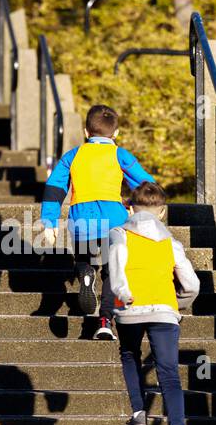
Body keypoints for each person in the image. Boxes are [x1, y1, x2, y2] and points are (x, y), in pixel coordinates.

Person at [40, 104, 155, 339]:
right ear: (116, 134)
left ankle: (84, 271)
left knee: (85, 258)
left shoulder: (73, 155)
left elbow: (54, 188)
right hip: (114, 219)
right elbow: (146, 185)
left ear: (86, 132)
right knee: (113, 271)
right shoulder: (120, 154)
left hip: (81, 219)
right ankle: (105, 321)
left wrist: (49, 221)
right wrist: (136, 207)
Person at [108, 180, 199, 425]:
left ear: (129, 208)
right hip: (164, 310)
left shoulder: (119, 234)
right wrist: (178, 304)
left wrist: (122, 295)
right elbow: (192, 284)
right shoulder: (172, 243)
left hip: (130, 309)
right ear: (162, 213)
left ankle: (137, 414)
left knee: (130, 355)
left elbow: (116, 270)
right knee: (169, 374)